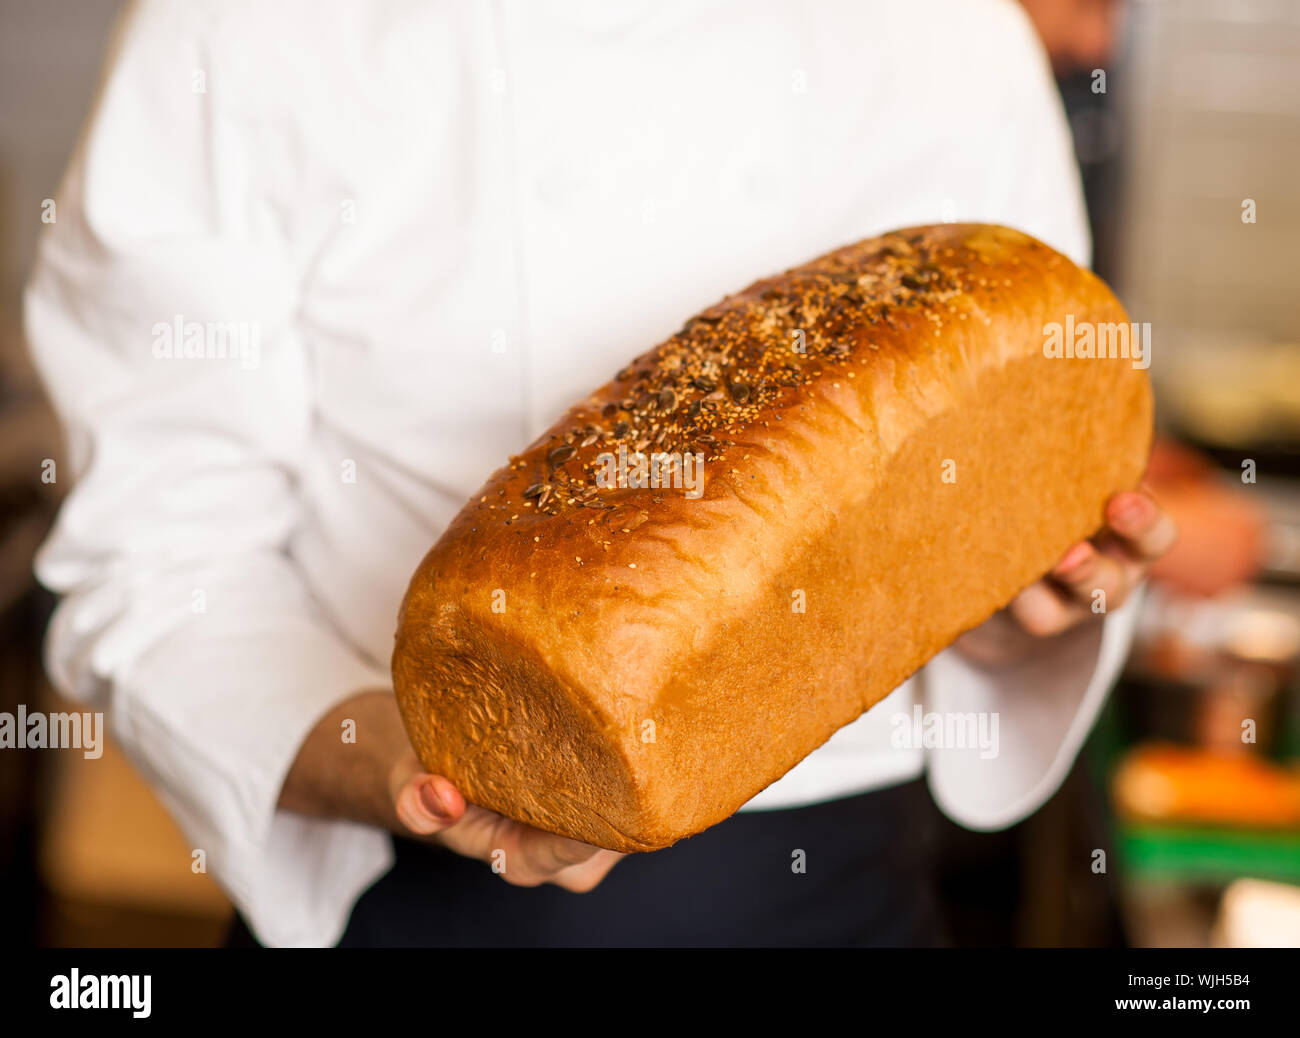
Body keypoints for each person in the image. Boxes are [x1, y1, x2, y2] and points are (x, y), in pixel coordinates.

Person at [25, 0, 1174, 947]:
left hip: (837, 896)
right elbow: (155, 558)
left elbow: (1017, 438)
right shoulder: (235, 33)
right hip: (412, 896)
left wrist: (1018, 610)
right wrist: (407, 767)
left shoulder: (946, 34)